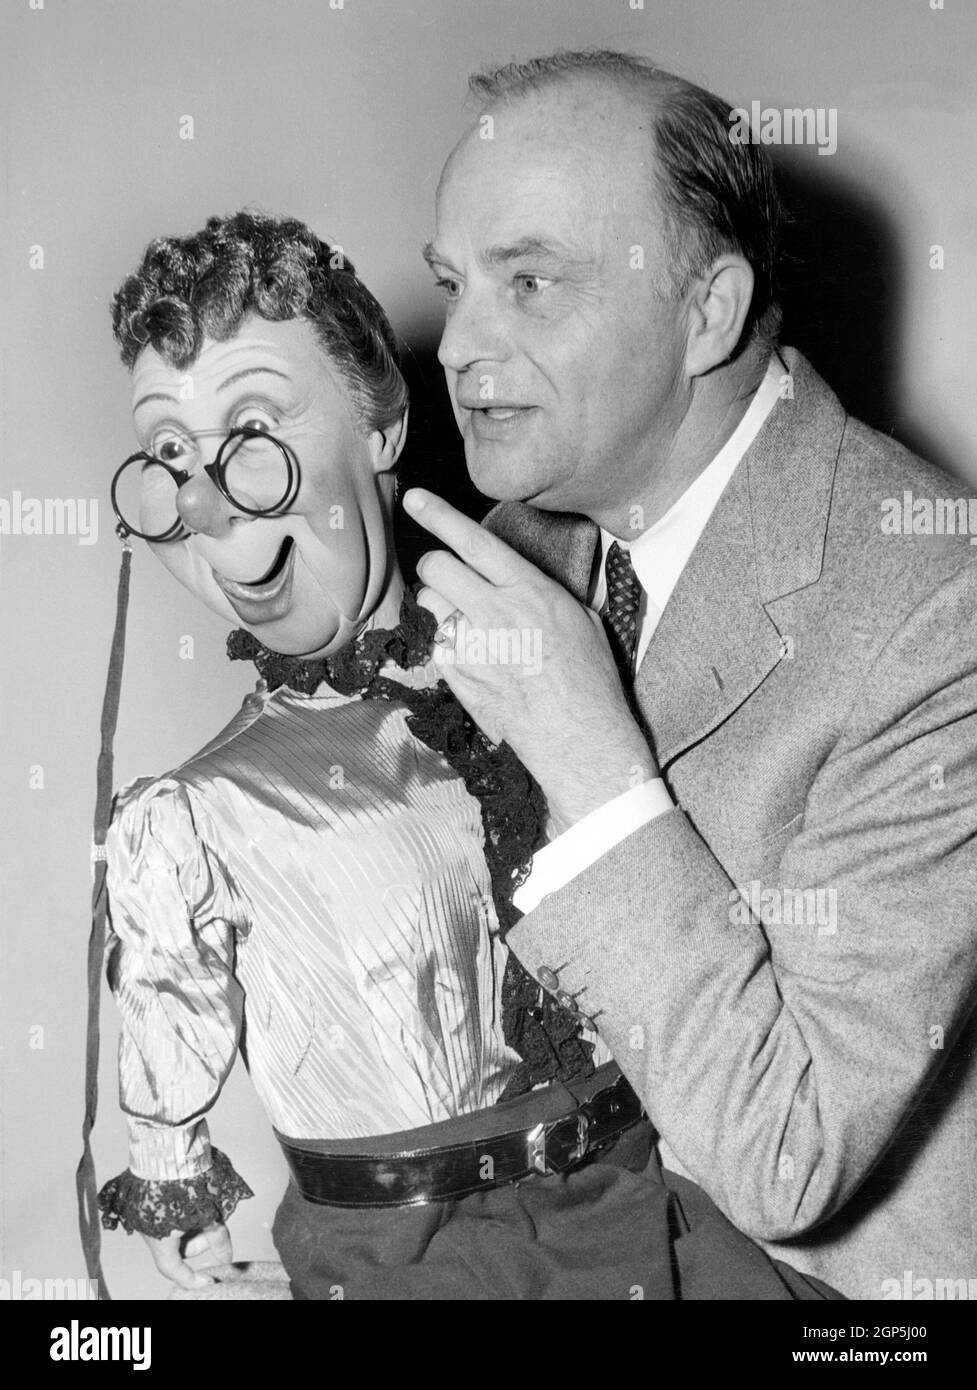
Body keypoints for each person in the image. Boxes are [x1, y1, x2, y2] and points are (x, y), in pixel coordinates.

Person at [97, 210, 838, 1301]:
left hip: (649, 1209)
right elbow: (168, 1020)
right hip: (410, 1259)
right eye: (168, 454)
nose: (206, 501)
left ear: (381, 426)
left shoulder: (556, 652)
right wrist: (179, 1192)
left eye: (252, 426)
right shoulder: (190, 817)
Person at [408, 50, 977, 1301]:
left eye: (530, 282)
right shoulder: (517, 534)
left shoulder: (939, 610)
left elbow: (790, 1158)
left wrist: (595, 766)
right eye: (455, 284)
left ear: (706, 314)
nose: (455, 345)